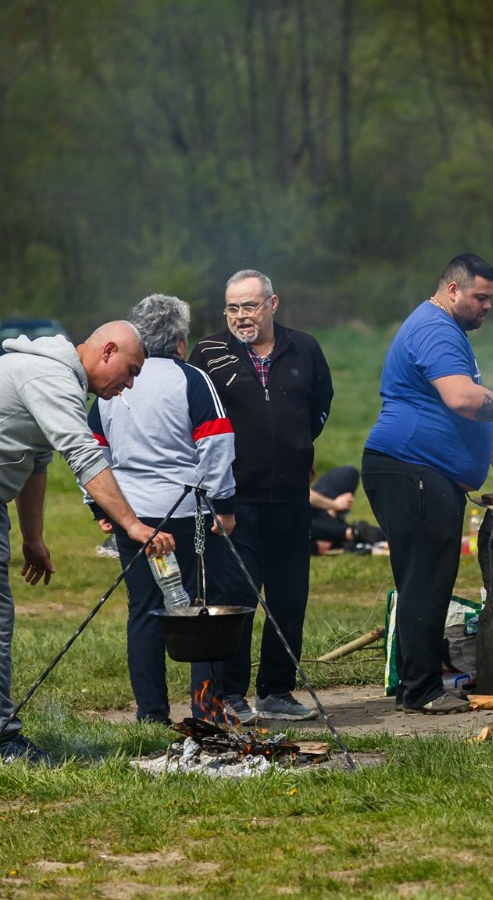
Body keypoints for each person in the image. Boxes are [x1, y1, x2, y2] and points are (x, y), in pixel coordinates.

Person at [0, 321, 172, 765]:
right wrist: (132, 524)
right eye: (130, 371)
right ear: (107, 351)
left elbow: (36, 460)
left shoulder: (59, 377)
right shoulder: (50, 378)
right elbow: (83, 454)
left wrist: (33, 537)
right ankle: (0, 741)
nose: (129, 384)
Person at [362, 253, 493, 714]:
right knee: (425, 580)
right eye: (480, 297)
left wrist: (482, 435)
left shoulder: (440, 328)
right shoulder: (434, 328)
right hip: (410, 469)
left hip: (414, 470)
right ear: (453, 290)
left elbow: (438, 398)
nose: (487, 306)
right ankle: (422, 691)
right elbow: (461, 397)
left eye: (491, 298)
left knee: (426, 577)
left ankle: (421, 682)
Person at [188, 269, 334, 724]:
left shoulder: (304, 348)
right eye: (232, 307)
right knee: (235, 600)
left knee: (289, 599)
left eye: (249, 306)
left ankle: (277, 690)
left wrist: (293, 448)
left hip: (291, 498)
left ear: (273, 304)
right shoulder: (208, 354)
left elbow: (320, 407)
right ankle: (231, 693)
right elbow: (193, 416)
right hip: (235, 501)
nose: (240, 316)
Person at [87, 295, 236, 725]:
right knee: (200, 609)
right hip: (187, 514)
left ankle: (150, 713)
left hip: (130, 515)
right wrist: (222, 504)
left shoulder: (110, 384)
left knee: (145, 610)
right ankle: (205, 709)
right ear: (181, 342)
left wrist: (99, 506)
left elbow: (92, 451)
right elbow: (216, 444)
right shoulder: (190, 379)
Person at [308, 466, 386, 554]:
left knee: (348, 473)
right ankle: (351, 533)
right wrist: (335, 505)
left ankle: (334, 529)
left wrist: (331, 506)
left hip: (313, 507)